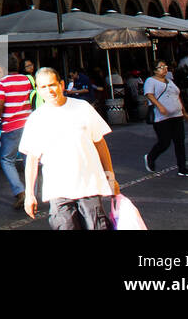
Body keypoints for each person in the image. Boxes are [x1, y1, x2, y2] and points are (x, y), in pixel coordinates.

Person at [20, 67, 118, 230]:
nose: (49, 90)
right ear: (37, 90)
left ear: (62, 84)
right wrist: (29, 194)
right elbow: (31, 159)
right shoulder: (36, 119)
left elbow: (100, 142)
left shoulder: (83, 108)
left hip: (89, 187)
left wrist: (110, 176)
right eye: (43, 87)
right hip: (58, 190)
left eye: (52, 85)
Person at [0, 54, 34, 210]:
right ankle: (31, 193)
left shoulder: (3, 83)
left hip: (11, 126)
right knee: (29, 158)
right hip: (28, 124)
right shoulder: (26, 80)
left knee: (6, 160)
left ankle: (20, 192)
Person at [143, 60, 188, 176]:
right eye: (161, 67)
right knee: (164, 142)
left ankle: (182, 168)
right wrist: (160, 107)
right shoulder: (150, 81)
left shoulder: (170, 81)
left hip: (176, 115)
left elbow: (177, 96)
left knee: (179, 142)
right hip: (162, 117)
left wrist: (184, 111)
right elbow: (149, 94)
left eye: (165, 66)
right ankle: (151, 157)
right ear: (154, 70)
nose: (164, 68)